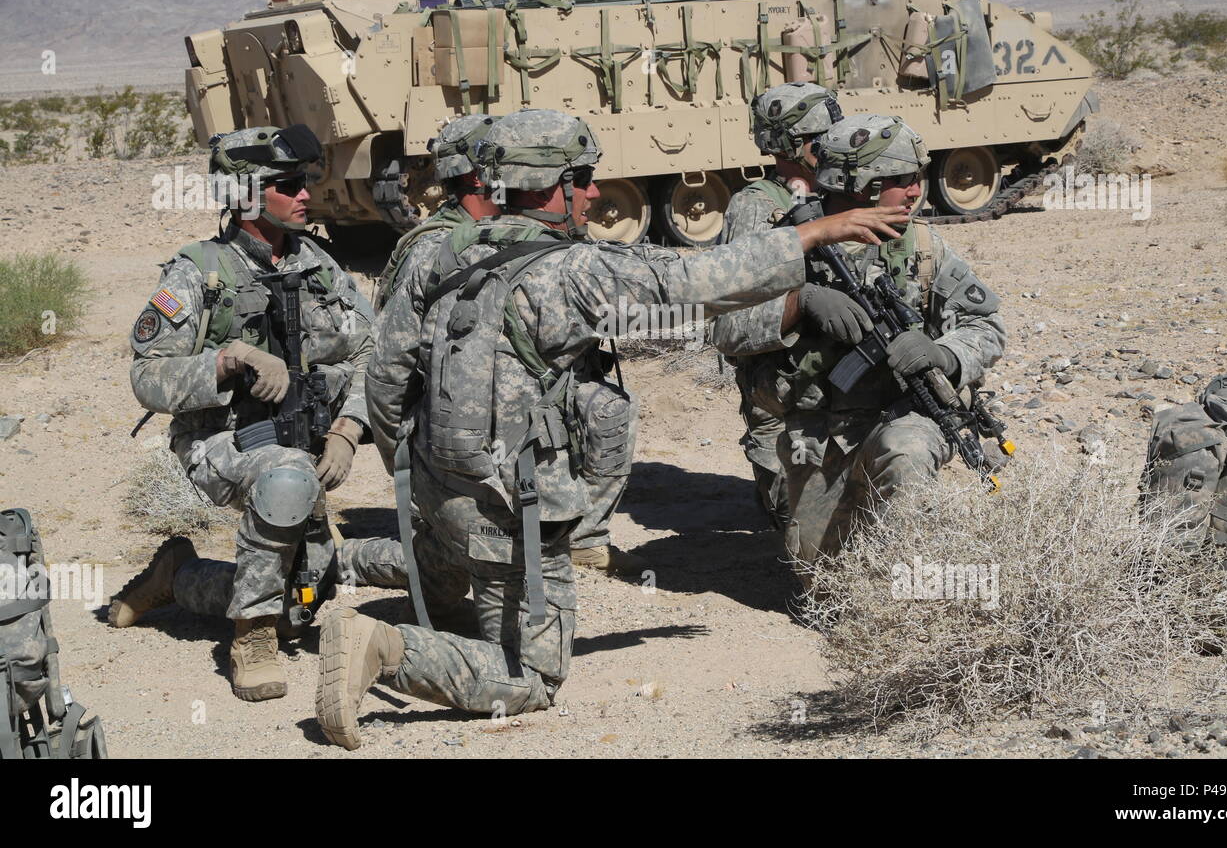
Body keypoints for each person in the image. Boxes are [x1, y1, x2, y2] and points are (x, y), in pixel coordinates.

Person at [316, 108, 906, 748]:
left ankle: (326, 565)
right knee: (531, 676)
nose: (596, 193)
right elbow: (696, 280)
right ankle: (382, 649)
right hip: (510, 507)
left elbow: (384, 378)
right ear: (549, 186)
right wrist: (813, 234)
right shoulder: (572, 271)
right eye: (585, 178)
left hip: (439, 486)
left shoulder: (439, 252)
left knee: (455, 571)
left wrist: (420, 468)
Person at [113, 125, 395, 702]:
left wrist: (349, 427)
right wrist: (225, 360)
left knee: (304, 603)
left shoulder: (316, 264)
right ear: (245, 195)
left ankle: (179, 578)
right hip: (223, 442)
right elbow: (146, 376)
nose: (304, 195)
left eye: (305, 182)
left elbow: (374, 351)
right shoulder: (199, 272)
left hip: (305, 440)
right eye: (287, 184)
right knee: (287, 476)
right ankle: (253, 640)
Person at [714, 113, 1006, 589]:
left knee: (908, 450)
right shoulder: (785, 244)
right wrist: (798, 304)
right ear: (861, 184)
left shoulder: (924, 245)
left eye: (918, 178)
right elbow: (726, 330)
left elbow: (985, 323)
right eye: (902, 180)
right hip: (815, 431)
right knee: (823, 587)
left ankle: (910, 589)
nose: (917, 191)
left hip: (895, 416)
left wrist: (943, 353)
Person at [369, 115, 644, 578]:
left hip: (510, 429)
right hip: (452, 442)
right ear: (481, 176)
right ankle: (360, 563)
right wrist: (407, 471)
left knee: (603, 404)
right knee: (451, 577)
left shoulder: (516, 238)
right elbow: (389, 376)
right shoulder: (436, 249)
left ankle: (579, 538)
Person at [713, 82, 843, 535]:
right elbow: (731, 323)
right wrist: (802, 304)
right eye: (819, 138)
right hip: (781, 384)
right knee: (805, 525)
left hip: (836, 376)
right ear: (790, 144)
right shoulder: (757, 209)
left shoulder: (836, 192)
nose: (831, 145)